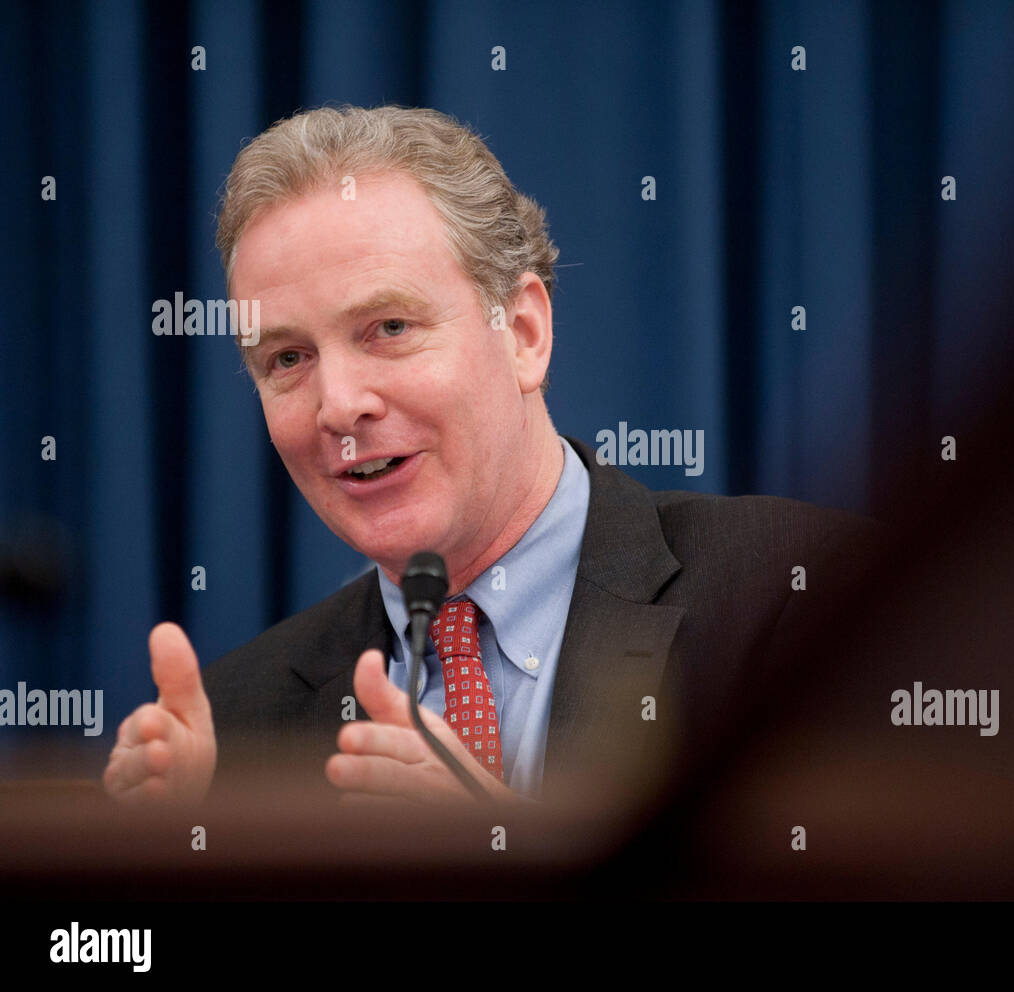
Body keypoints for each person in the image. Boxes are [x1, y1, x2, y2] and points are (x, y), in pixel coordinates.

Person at [102, 105, 877, 811]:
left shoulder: (799, 594)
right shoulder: (239, 728)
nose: (337, 405)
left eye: (389, 327)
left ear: (526, 333)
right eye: (288, 359)